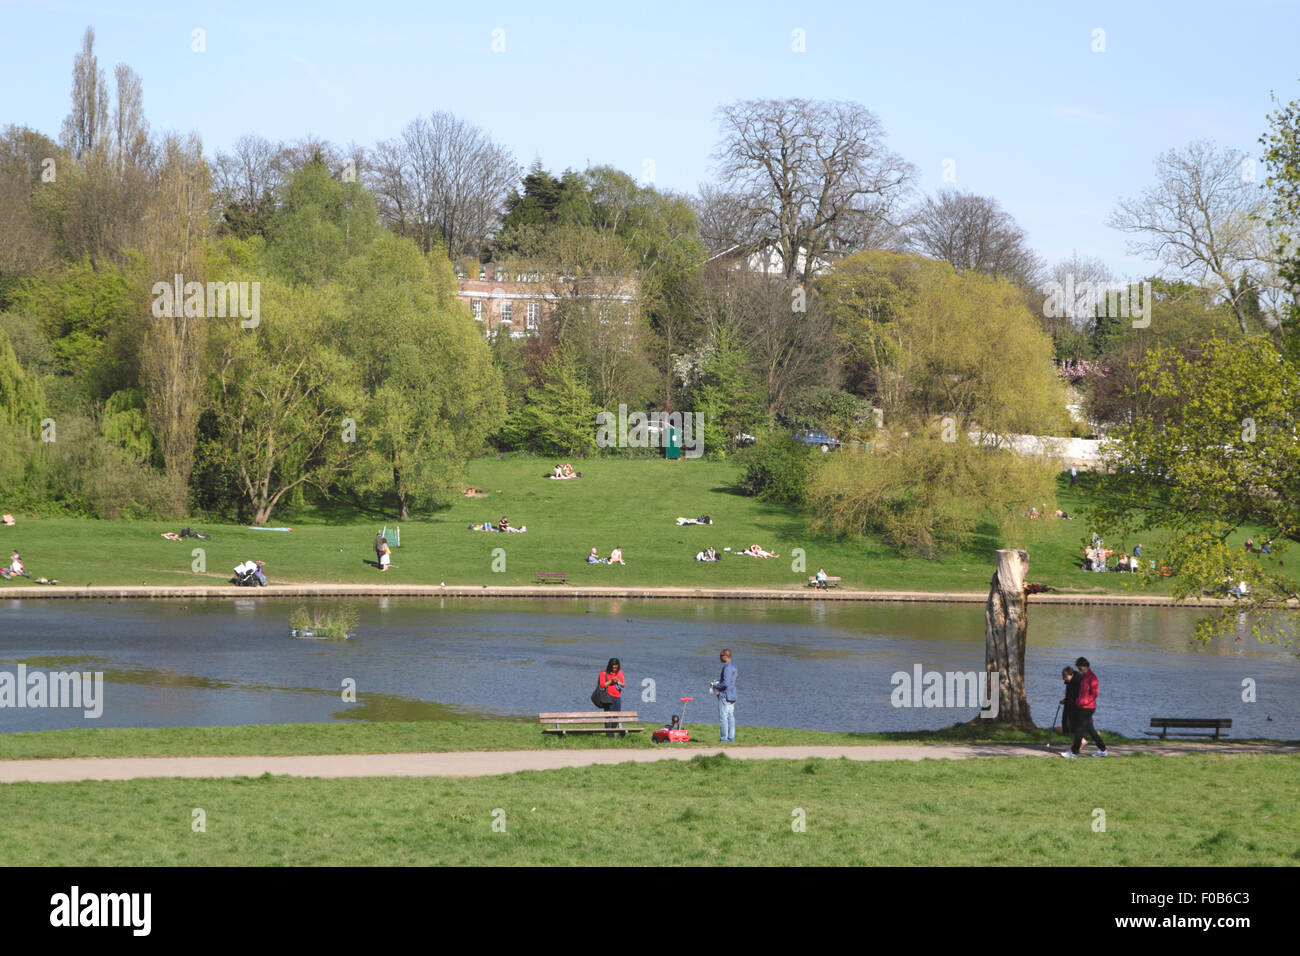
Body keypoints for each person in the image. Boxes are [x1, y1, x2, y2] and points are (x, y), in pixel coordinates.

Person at [1061, 657, 1108, 758]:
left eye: (1080, 668)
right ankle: (1103, 749)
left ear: (1085, 666)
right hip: (1082, 706)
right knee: (1091, 730)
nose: (1079, 670)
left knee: (1079, 729)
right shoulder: (1084, 676)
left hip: (1088, 707)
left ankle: (1073, 752)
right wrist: (1078, 701)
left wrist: (1084, 702)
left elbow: (1094, 694)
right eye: (1078, 668)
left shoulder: (1092, 677)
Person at [710, 648, 737, 743]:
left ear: (725, 656)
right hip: (732, 694)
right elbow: (729, 681)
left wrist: (715, 685)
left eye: (721, 656)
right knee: (731, 717)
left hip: (725, 695)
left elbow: (725, 683)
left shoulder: (727, 667)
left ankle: (724, 738)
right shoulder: (733, 666)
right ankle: (731, 737)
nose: (720, 658)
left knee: (723, 717)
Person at [598, 658, 625, 737]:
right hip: (608, 697)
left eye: (616, 668)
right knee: (608, 717)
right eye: (613, 667)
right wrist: (611, 681)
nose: (614, 669)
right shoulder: (603, 673)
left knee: (616, 717)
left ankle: (612, 733)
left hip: (617, 697)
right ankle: (609, 735)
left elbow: (623, 684)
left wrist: (617, 681)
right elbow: (602, 685)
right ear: (610, 666)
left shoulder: (619, 672)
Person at [1059, 665, 1081, 739]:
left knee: (1073, 721)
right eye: (1063, 677)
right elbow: (1069, 692)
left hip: (1077, 703)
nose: (1064, 679)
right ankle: (1068, 735)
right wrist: (1065, 700)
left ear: (1071, 674)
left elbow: (1078, 694)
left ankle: (1079, 740)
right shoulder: (1069, 680)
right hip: (1070, 701)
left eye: (1065, 677)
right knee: (1065, 720)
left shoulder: (1078, 680)